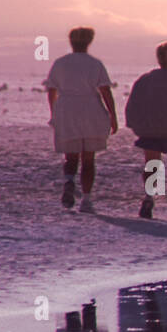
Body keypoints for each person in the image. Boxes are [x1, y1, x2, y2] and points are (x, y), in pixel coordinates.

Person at [43, 27, 118, 214]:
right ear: (89, 42)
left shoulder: (60, 63)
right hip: (91, 109)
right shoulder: (95, 64)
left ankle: (69, 180)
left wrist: (55, 113)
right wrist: (113, 115)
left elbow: (51, 90)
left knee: (71, 154)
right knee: (88, 158)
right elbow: (105, 91)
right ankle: (86, 198)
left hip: (67, 108)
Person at [125, 42, 167, 219]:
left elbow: (133, 105)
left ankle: (148, 198)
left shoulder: (144, 80)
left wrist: (134, 124)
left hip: (151, 129)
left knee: (152, 166)